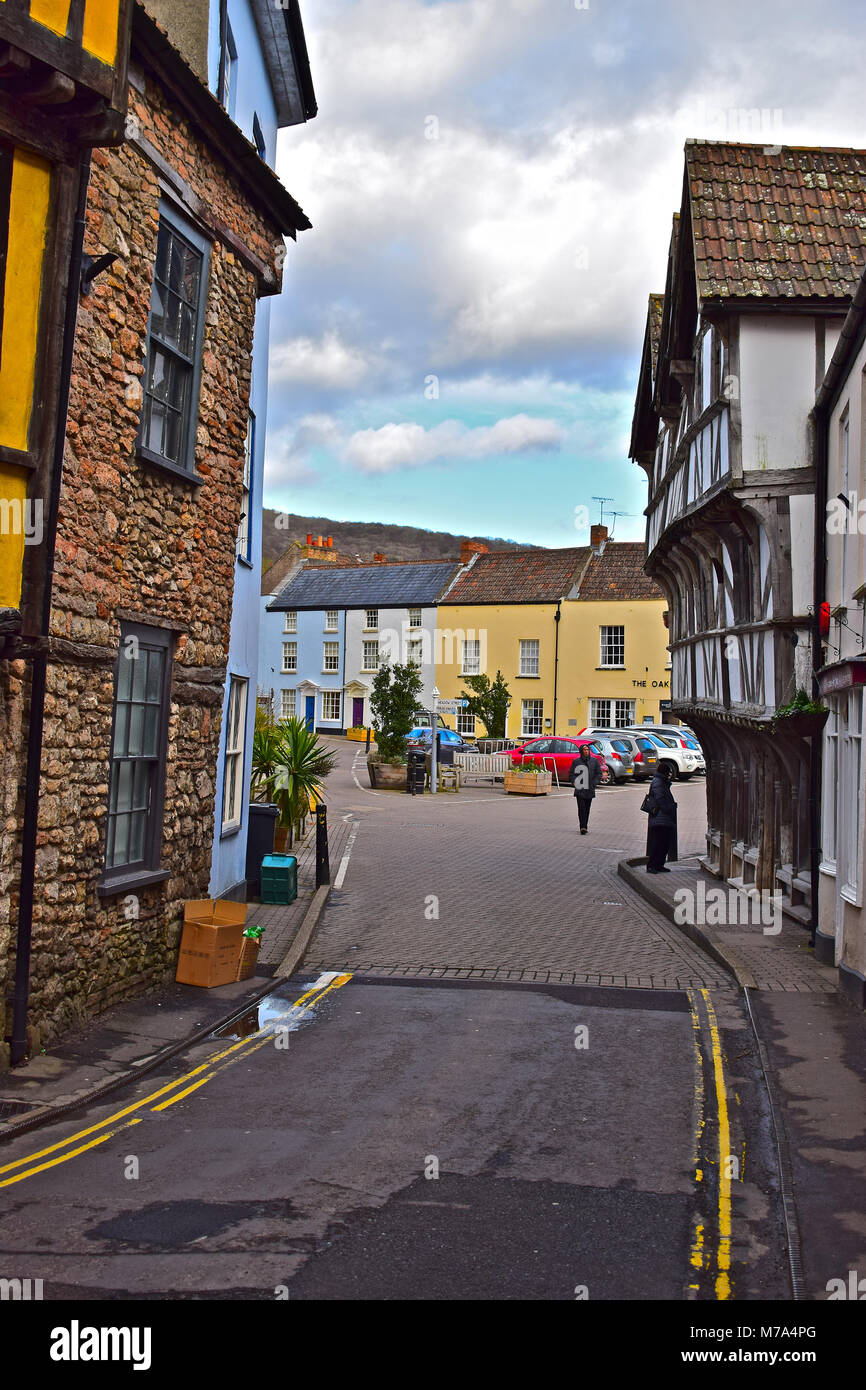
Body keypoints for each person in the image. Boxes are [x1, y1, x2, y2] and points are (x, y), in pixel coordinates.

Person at [645, 763, 678, 872]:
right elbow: (660, 799)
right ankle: (652, 865)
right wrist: (669, 808)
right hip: (660, 818)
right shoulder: (659, 782)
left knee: (664, 843)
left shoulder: (661, 781)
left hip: (662, 817)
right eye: (668, 772)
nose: (669, 775)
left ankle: (659, 864)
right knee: (658, 843)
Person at [572, 743, 603, 834]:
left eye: (587, 750)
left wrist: (594, 783)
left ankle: (585, 825)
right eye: (584, 750)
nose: (586, 751)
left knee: (587, 808)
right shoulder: (576, 762)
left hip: (590, 788)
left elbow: (599, 774)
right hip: (580, 788)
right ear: (581, 751)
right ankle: (582, 826)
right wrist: (576, 782)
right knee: (581, 808)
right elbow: (572, 774)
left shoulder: (594, 761)